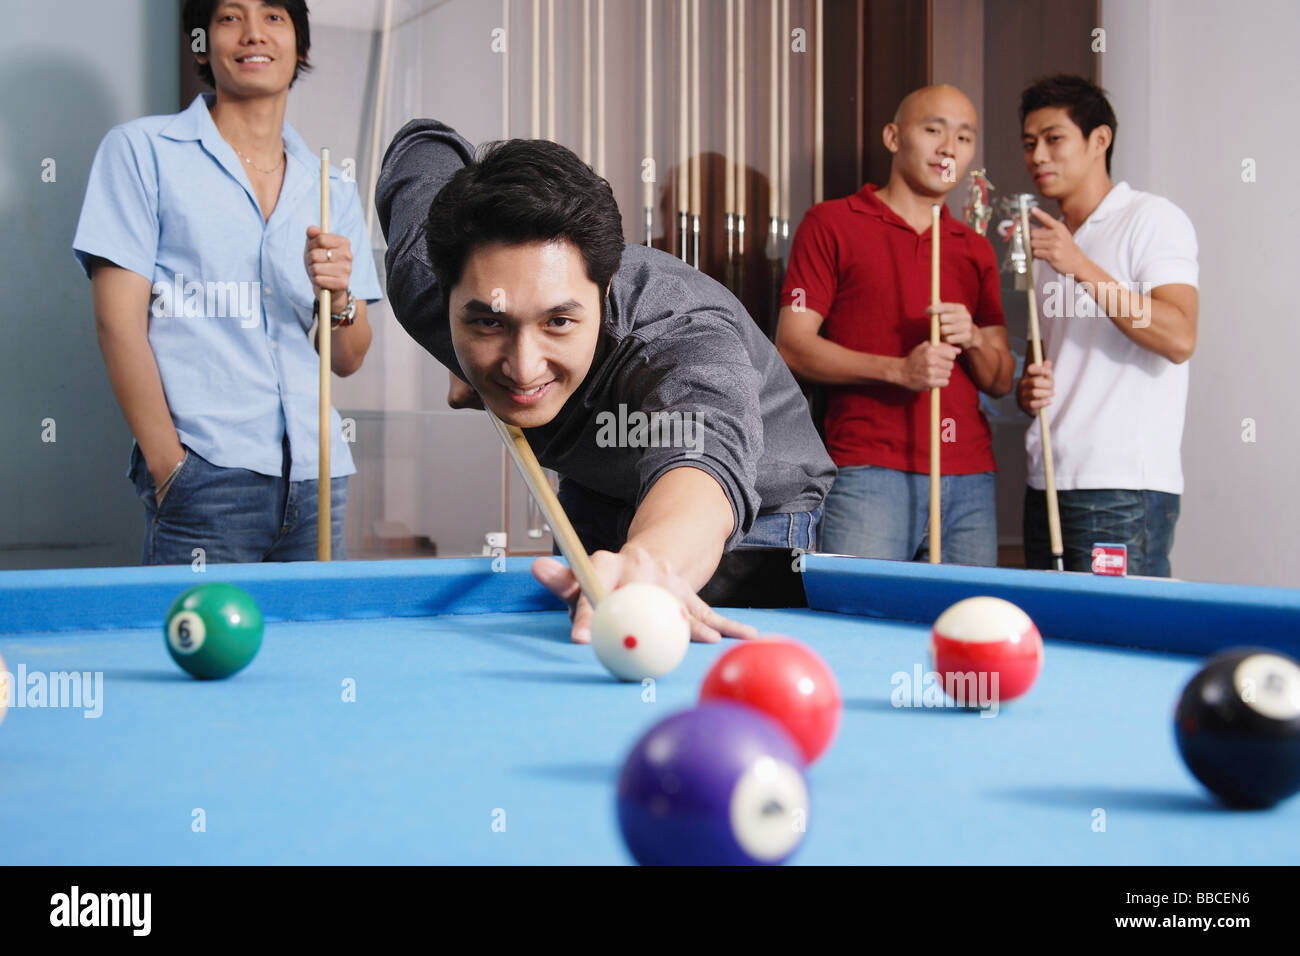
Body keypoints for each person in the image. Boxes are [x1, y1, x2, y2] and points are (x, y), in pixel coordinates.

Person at [375, 121, 835, 643]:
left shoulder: (677, 334)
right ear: (444, 292)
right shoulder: (421, 277)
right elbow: (423, 143)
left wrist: (652, 560)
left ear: (605, 290)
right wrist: (467, 366)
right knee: (580, 648)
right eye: (488, 323)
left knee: (674, 654)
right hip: (599, 482)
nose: (524, 368)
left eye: (558, 322)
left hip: (756, 505)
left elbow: (705, 449)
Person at [72, 0, 380, 564]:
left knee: (312, 651)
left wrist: (338, 299)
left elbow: (350, 356)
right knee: (202, 652)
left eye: (274, 17)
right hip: (205, 474)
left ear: (301, 46)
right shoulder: (142, 152)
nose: (253, 34)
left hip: (318, 475)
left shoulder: (331, 185)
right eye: (229, 17)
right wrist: (170, 468)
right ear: (202, 43)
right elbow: (118, 325)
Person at [776, 85, 1014, 566]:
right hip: (869, 470)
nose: (949, 148)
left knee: (969, 630)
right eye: (933, 130)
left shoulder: (974, 247)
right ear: (892, 136)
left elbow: (1001, 379)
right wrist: (899, 371)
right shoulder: (831, 223)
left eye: (965, 138)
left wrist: (972, 339)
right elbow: (792, 346)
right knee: (859, 624)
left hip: (970, 476)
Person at [1015, 75, 1198, 576]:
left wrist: (1083, 267)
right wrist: (1028, 388)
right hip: (1046, 479)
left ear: (1100, 140)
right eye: (1030, 143)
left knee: (1124, 641)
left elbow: (1179, 335)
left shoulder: (1151, 219)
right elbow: (1042, 364)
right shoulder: (1051, 242)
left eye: (1054, 139)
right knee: (1053, 642)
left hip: (1122, 486)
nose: (1038, 156)